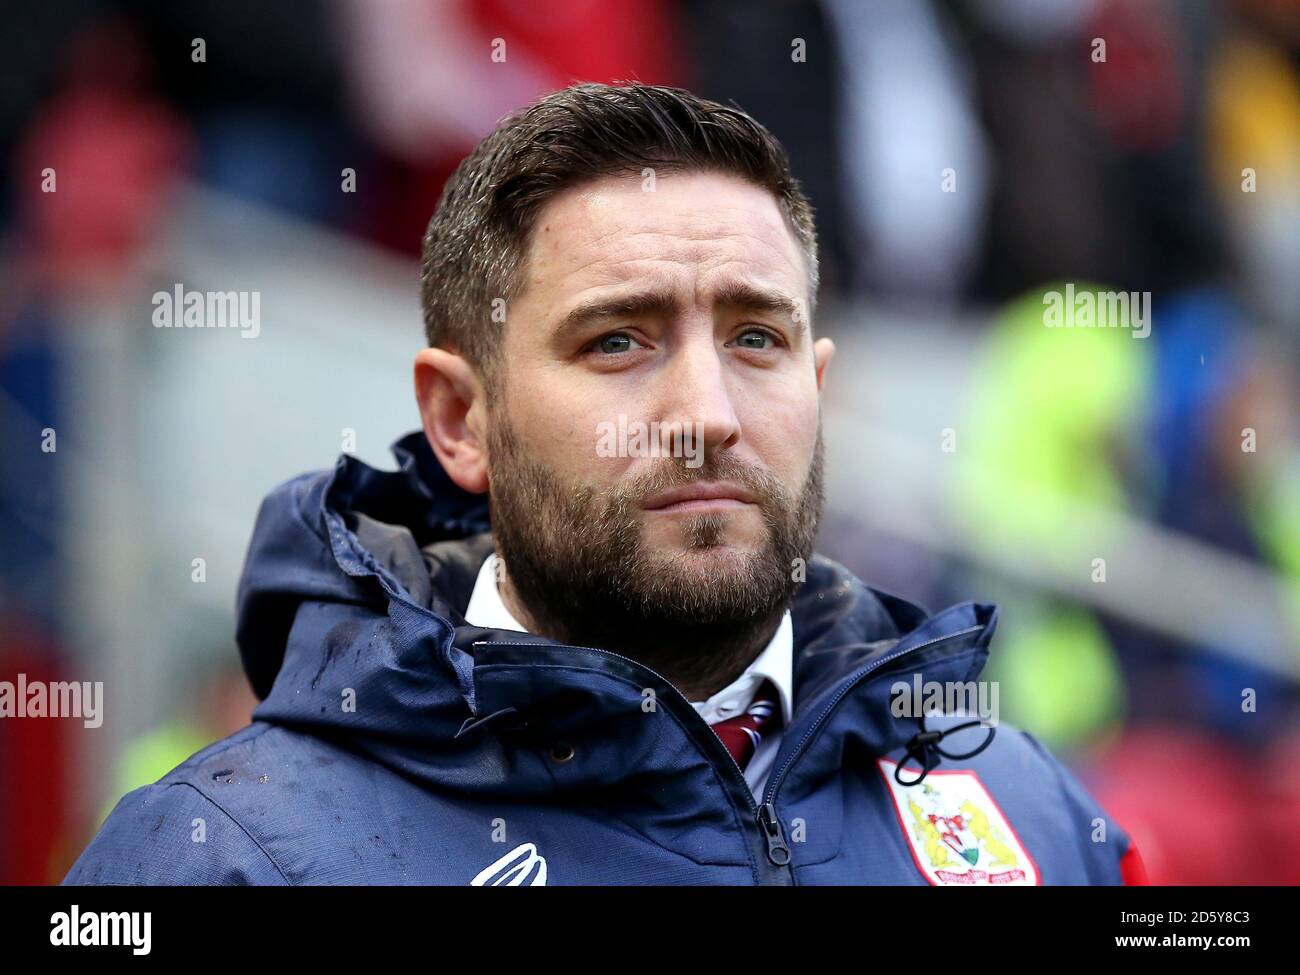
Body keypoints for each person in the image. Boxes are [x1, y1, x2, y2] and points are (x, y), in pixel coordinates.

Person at [65, 83, 1145, 885]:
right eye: (619, 340)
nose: (708, 415)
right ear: (459, 417)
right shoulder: (227, 856)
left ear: (819, 389)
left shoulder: (1030, 814)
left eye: (756, 338)